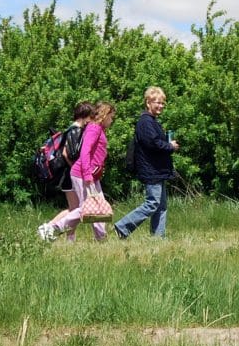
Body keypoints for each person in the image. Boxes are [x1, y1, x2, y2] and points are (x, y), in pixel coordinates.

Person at [40, 101, 116, 242]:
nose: (112, 120)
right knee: (85, 209)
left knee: (97, 207)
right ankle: (52, 228)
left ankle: (101, 238)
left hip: (91, 174)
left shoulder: (98, 128)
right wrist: (87, 174)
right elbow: (85, 152)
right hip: (83, 174)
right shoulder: (94, 128)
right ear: (104, 115)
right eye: (111, 117)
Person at [115, 88, 178, 240]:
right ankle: (122, 226)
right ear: (148, 103)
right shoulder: (145, 122)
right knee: (152, 203)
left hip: (158, 169)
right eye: (158, 102)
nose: (161, 106)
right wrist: (170, 146)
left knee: (160, 206)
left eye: (163, 103)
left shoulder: (152, 121)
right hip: (151, 170)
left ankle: (158, 238)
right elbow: (153, 143)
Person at [51, 102, 94, 242]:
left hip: (67, 174)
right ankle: (49, 228)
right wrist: (76, 170)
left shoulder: (71, 129)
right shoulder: (75, 130)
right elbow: (66, 153)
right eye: (90, 117)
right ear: (85, 116)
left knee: (74, 209)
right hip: (69, 175)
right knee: (75, 210)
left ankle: (70, 239)